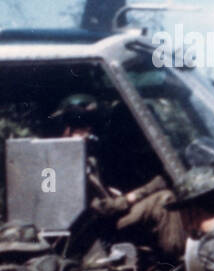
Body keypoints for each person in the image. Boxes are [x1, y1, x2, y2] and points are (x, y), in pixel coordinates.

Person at [49, 94, 186, 258]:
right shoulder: (62, 162)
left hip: (108, 218)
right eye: (80, 128)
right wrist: (132, 197)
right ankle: (175, 263)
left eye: (88, 126)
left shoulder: (88, 158)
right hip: (98, 226)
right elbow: (99, 209)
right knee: (164, 200)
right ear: (65, 129)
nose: (87, 133)